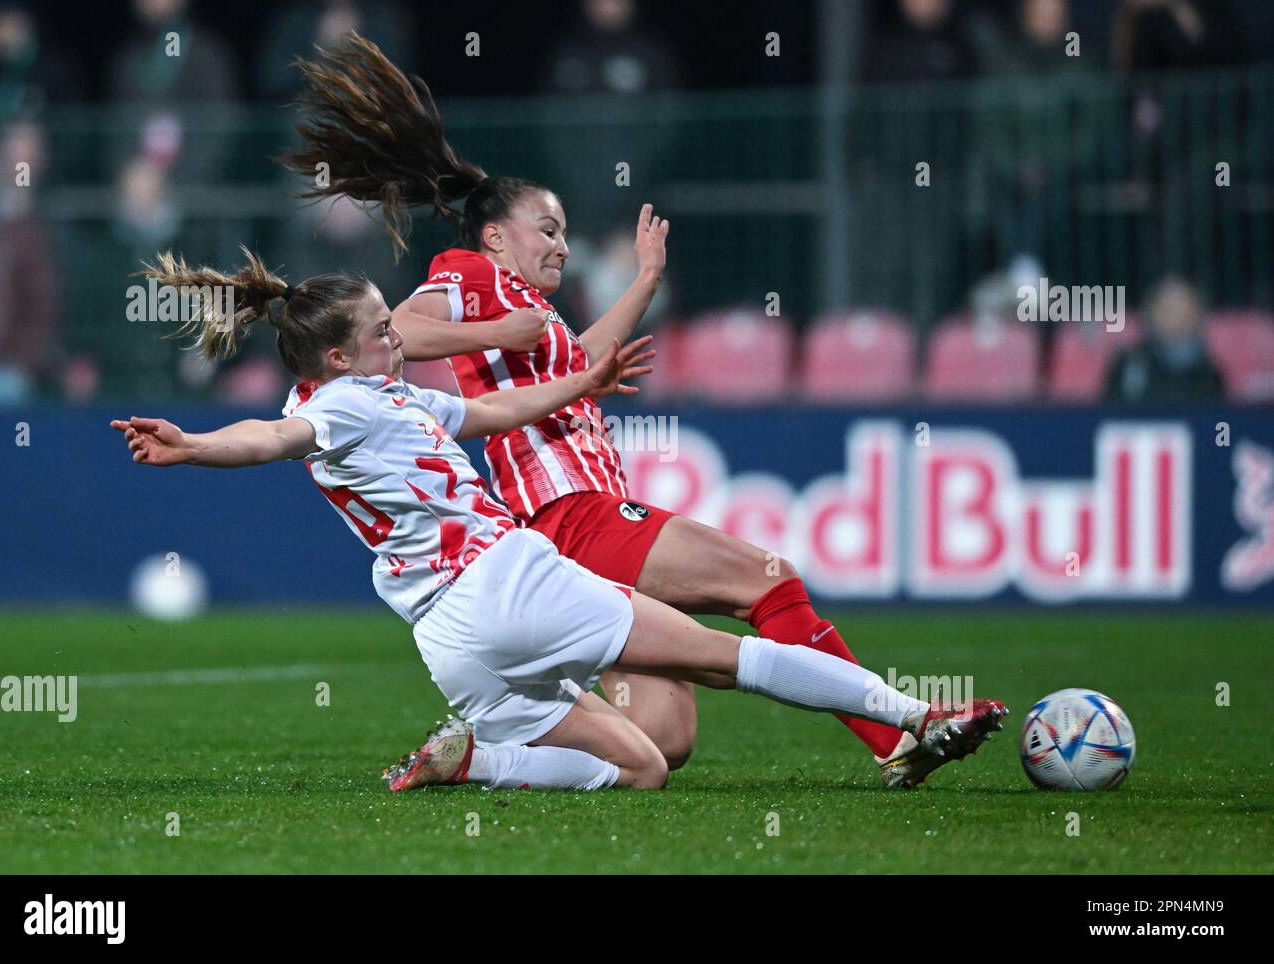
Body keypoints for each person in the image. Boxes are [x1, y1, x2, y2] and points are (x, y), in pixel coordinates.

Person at [279, 34, 973, 788]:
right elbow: (404, 331)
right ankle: (896, 735)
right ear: (494, 237)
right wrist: (495, 331)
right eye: (548, 228)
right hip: (566, 512)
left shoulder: (531, 309)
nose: (563, 246)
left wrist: (642, 284)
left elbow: (575, 361)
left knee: (662, 743)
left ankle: (494, 740)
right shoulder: (473, 273)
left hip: (564, 535)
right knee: (766, 580)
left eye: (566, 233)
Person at [112, 249, 1008, 791]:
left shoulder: (389, 398)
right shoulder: (341, 404)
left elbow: (494, 416)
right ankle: (916, 718)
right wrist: (193, 445)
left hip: (449, 638)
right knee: (730, 658)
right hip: (510, 581)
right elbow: (272, 435)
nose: (401, 334)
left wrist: (581, 383)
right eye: (386, 326)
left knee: (645, 766)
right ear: (341, 353)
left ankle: (475, 763)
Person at [1104, 276, 1224, 403]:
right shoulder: (1128, 366)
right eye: (1166, 310)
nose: (1174, 320)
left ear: (1196, 317)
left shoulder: (1209, 374)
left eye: (1182, 310)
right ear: (1150, 314)